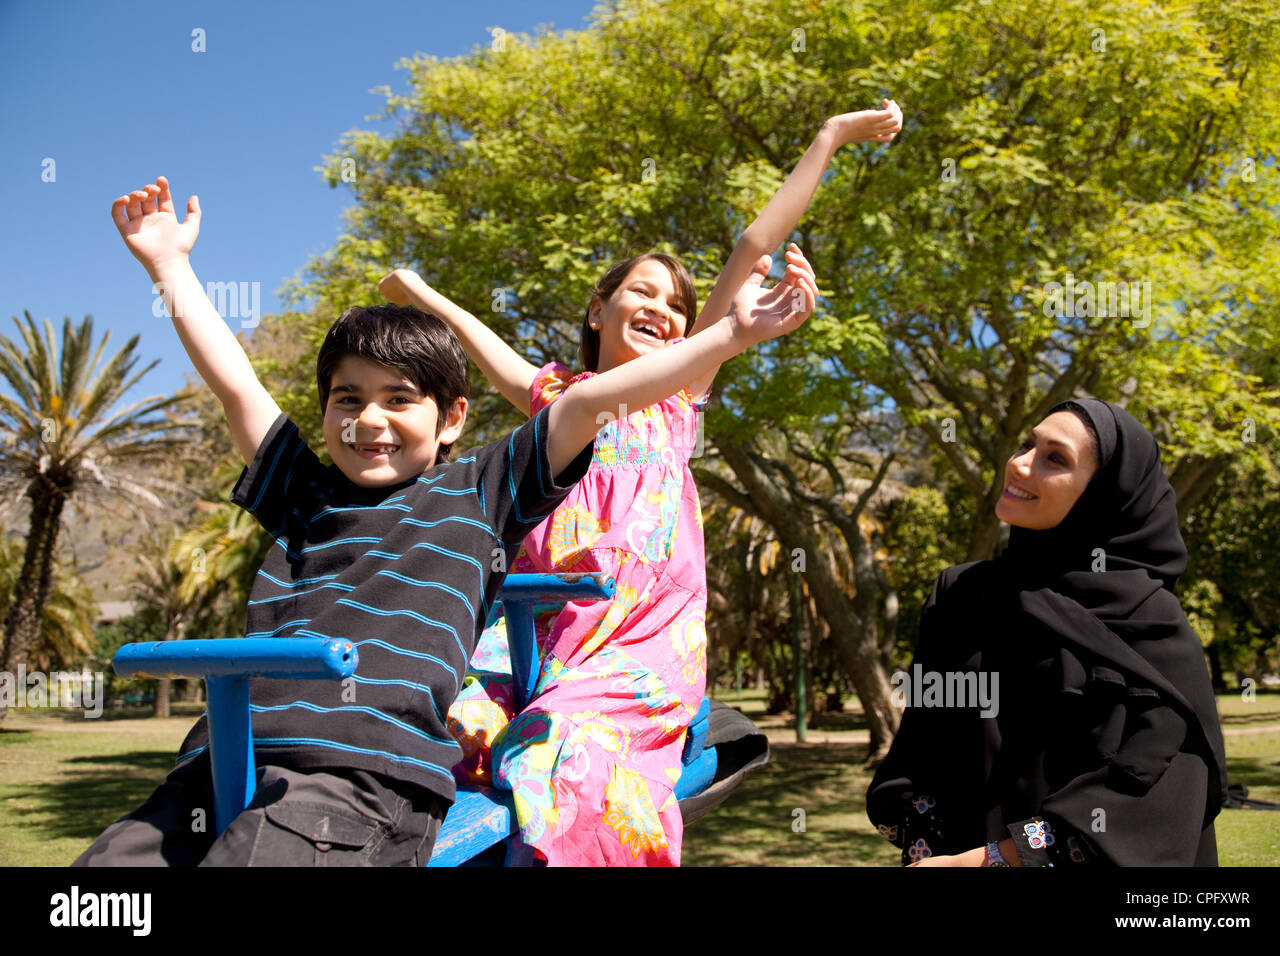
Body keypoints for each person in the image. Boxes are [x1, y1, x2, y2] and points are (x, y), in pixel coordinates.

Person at [74, 174, 812, 866]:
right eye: (347, 399)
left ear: (454, 417)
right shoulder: (304, 494)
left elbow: (585, 406)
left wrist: (729, 338)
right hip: (219, 761)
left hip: (354, 774)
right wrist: (168, 266)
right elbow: (235, 383)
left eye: (400, 400)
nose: (371, 422)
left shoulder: (479, 492)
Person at [380, 99, 904, 865]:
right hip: (530, 627)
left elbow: (756, 243)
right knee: (448, 734)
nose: (663, 308)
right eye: (643, 292)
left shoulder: (679, 391)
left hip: (636, 637)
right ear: (598, 308)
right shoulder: (555, 394)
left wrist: (830, 136)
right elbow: (479, 340)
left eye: (679, 305)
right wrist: (422, 294)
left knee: (568, 756)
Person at [866, 399, 1228, 866]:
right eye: (1027, 444)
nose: (1019, 463)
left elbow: (1140, 797)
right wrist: (927, 847)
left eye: (1054, 459)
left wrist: (990, 860)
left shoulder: (1150, 627)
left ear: (1102, 493)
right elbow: (921, 750)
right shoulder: (961, 595)